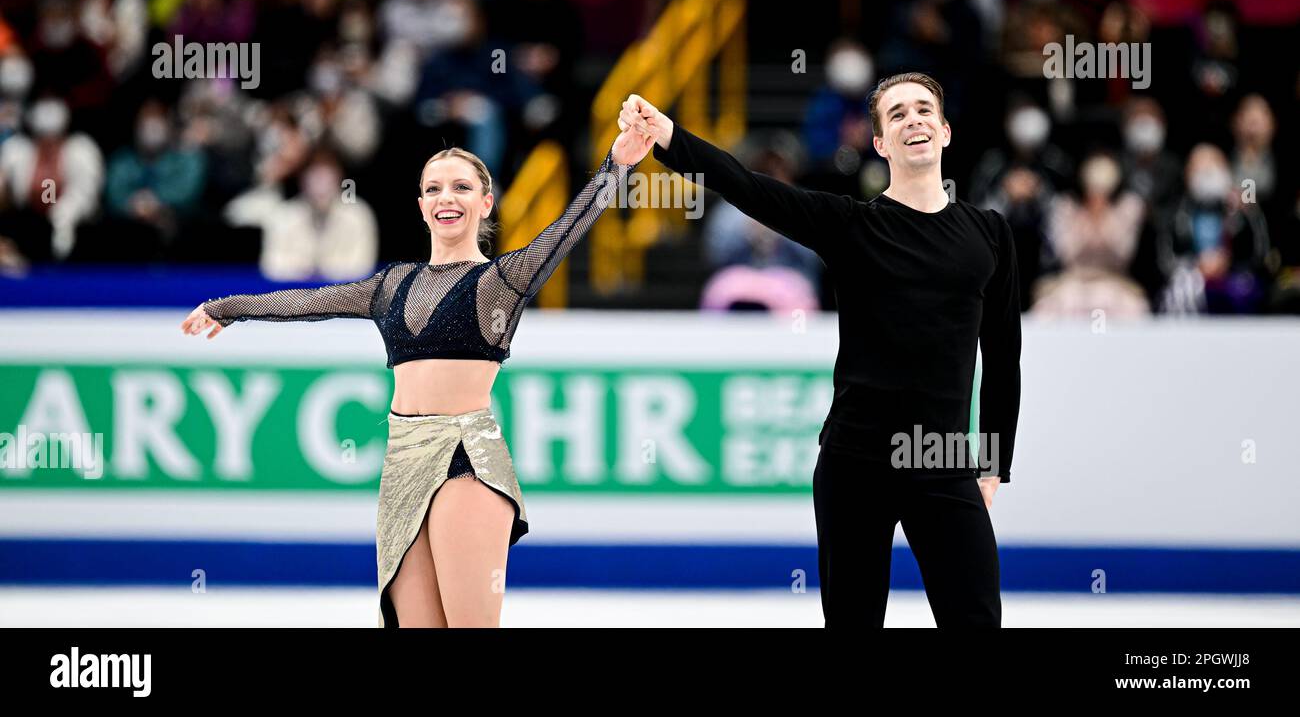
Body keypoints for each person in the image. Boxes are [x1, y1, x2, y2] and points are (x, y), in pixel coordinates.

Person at [180, 126, 655, 626]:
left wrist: (616, 165)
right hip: (401, 461)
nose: (445, 198)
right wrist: (228, 308)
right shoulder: (391, 284)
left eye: (461, 187)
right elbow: (308, 301)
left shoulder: (500, 282)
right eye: (433, 188)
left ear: (486, 202)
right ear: (421, 204)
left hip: (465, 459)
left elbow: (566, 230)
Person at [619, 73, 1021, 628]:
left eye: (924, 109)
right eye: (897, 114)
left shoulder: (991, 233)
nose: (914, 120)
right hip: (857, 459)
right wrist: (669, 136)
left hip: (943, 458)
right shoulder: (851, 226)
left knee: (976, 618)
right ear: (879, 143)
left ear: (946, 130)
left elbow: (1003, 355)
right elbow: (748, 186)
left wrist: (994, 463)